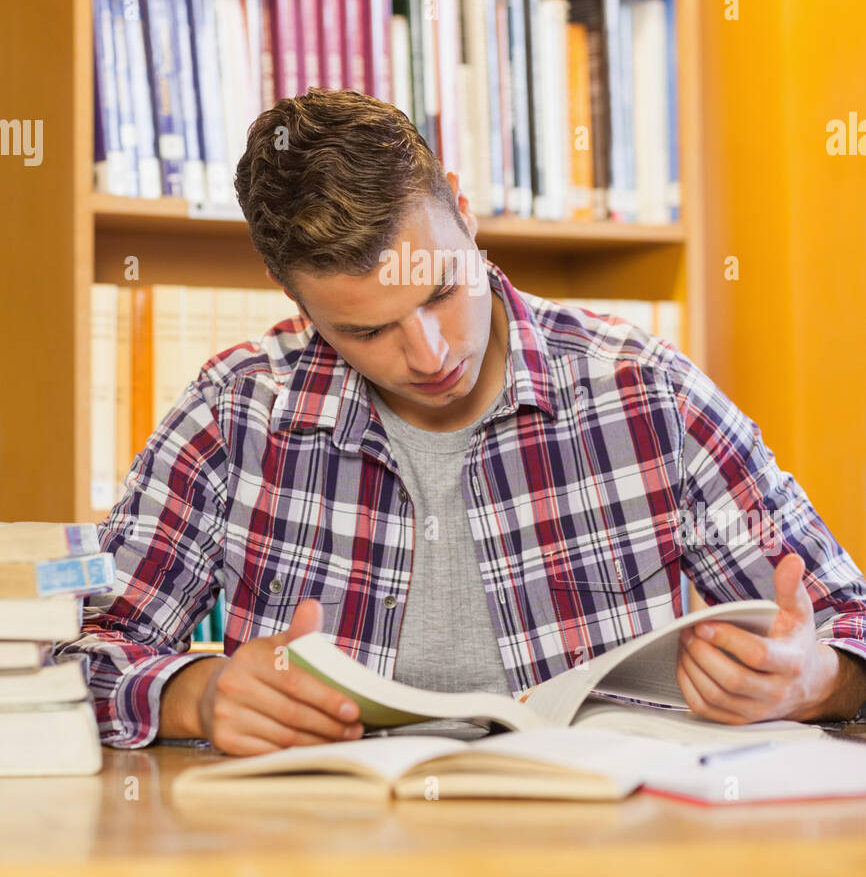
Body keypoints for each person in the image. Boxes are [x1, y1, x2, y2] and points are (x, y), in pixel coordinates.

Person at [57, 90, 866, 754]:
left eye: (443, 289)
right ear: (295, 302)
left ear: (466, 215)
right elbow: (62, 656)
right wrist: (196, 694)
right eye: (367, 332)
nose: (430, 352)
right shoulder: (236, 413)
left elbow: (847, 620)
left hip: (609, 865)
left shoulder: (646, 394)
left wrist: (819, 678)